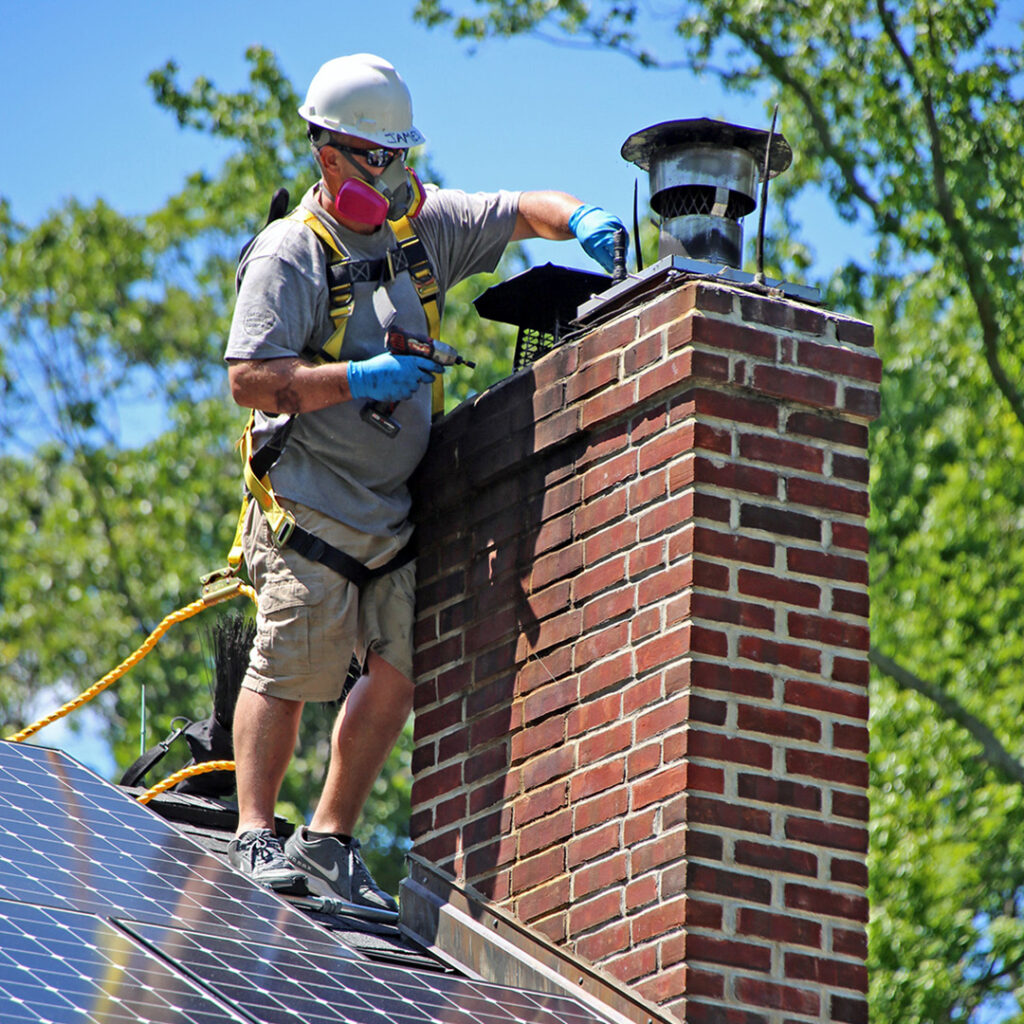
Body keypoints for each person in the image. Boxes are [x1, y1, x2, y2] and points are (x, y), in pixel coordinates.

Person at [224, 52, 626, 920]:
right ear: (330, 156)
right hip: (311, 506)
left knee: (401, 670)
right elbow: (250, 380)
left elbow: (524, 210)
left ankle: (327, 840)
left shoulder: (423, 227)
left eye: (402, 156)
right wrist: (356, 381)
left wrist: (586, 217)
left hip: (390, 515)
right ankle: (255, 830)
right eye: (378, 159)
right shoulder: (294, 253)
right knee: (290, 668)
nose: (395, 175)